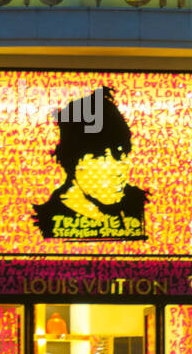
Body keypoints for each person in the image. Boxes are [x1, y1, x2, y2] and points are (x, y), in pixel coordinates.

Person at [32, 86, 150, 242]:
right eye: (98, 157)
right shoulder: (46, 222)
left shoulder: (139, 204)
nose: (117, 169)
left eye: (120, 154)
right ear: (72, 160)